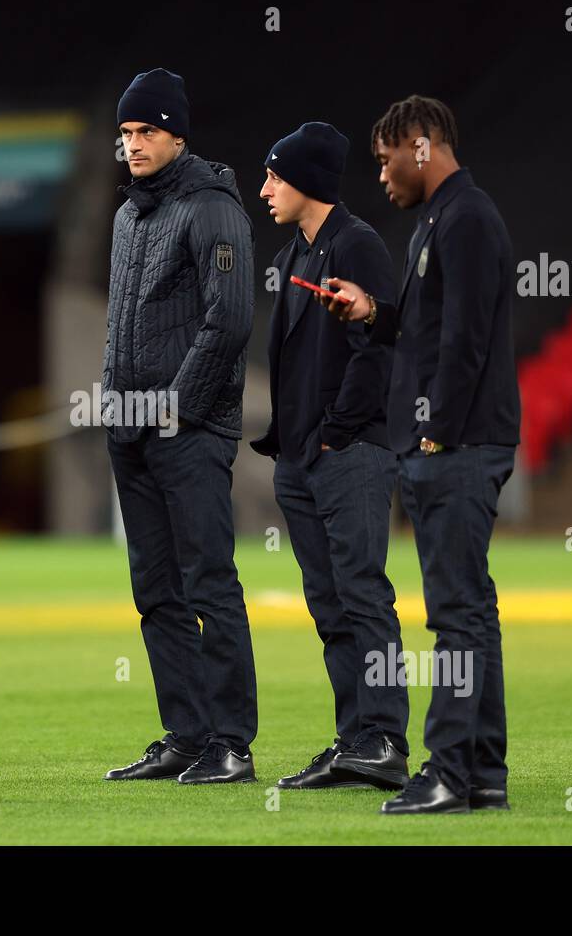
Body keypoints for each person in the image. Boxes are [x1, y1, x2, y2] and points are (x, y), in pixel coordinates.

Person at [319, 96, 520, 814]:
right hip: (456, 436)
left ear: (422, 144)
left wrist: (438, 428)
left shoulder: (465, 218)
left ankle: (450, 771)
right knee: (473, 608)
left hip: (457, 443)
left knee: (455, 613)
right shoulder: (443, 219)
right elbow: (430, 331)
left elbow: (465, 338)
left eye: (385, 158)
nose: (381, 175)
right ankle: (485, 771)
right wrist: (373, 312)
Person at [102, 69, 258, 785]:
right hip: (131, 428)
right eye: (127, 133)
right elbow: (122, 326)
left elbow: (229, 320)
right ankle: (186, 734)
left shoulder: (212, 207)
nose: (132, 144)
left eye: (146, 132)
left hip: (188, 428)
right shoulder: (129, 214)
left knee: (208, 582)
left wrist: (173, 406)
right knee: (155, 590)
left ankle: (231, 740)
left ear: (177, 135)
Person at [249, 122, 410, 791]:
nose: (263, 190)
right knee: (331, 604)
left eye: (274, 177)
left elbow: (379, 340)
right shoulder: (296, 253)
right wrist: (292, 446)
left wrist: (336, 432)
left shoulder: (356, 243)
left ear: (307, 181)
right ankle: (354, 739)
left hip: (348, 456)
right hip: (303, 461)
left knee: (363, 595)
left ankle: (385, 741)